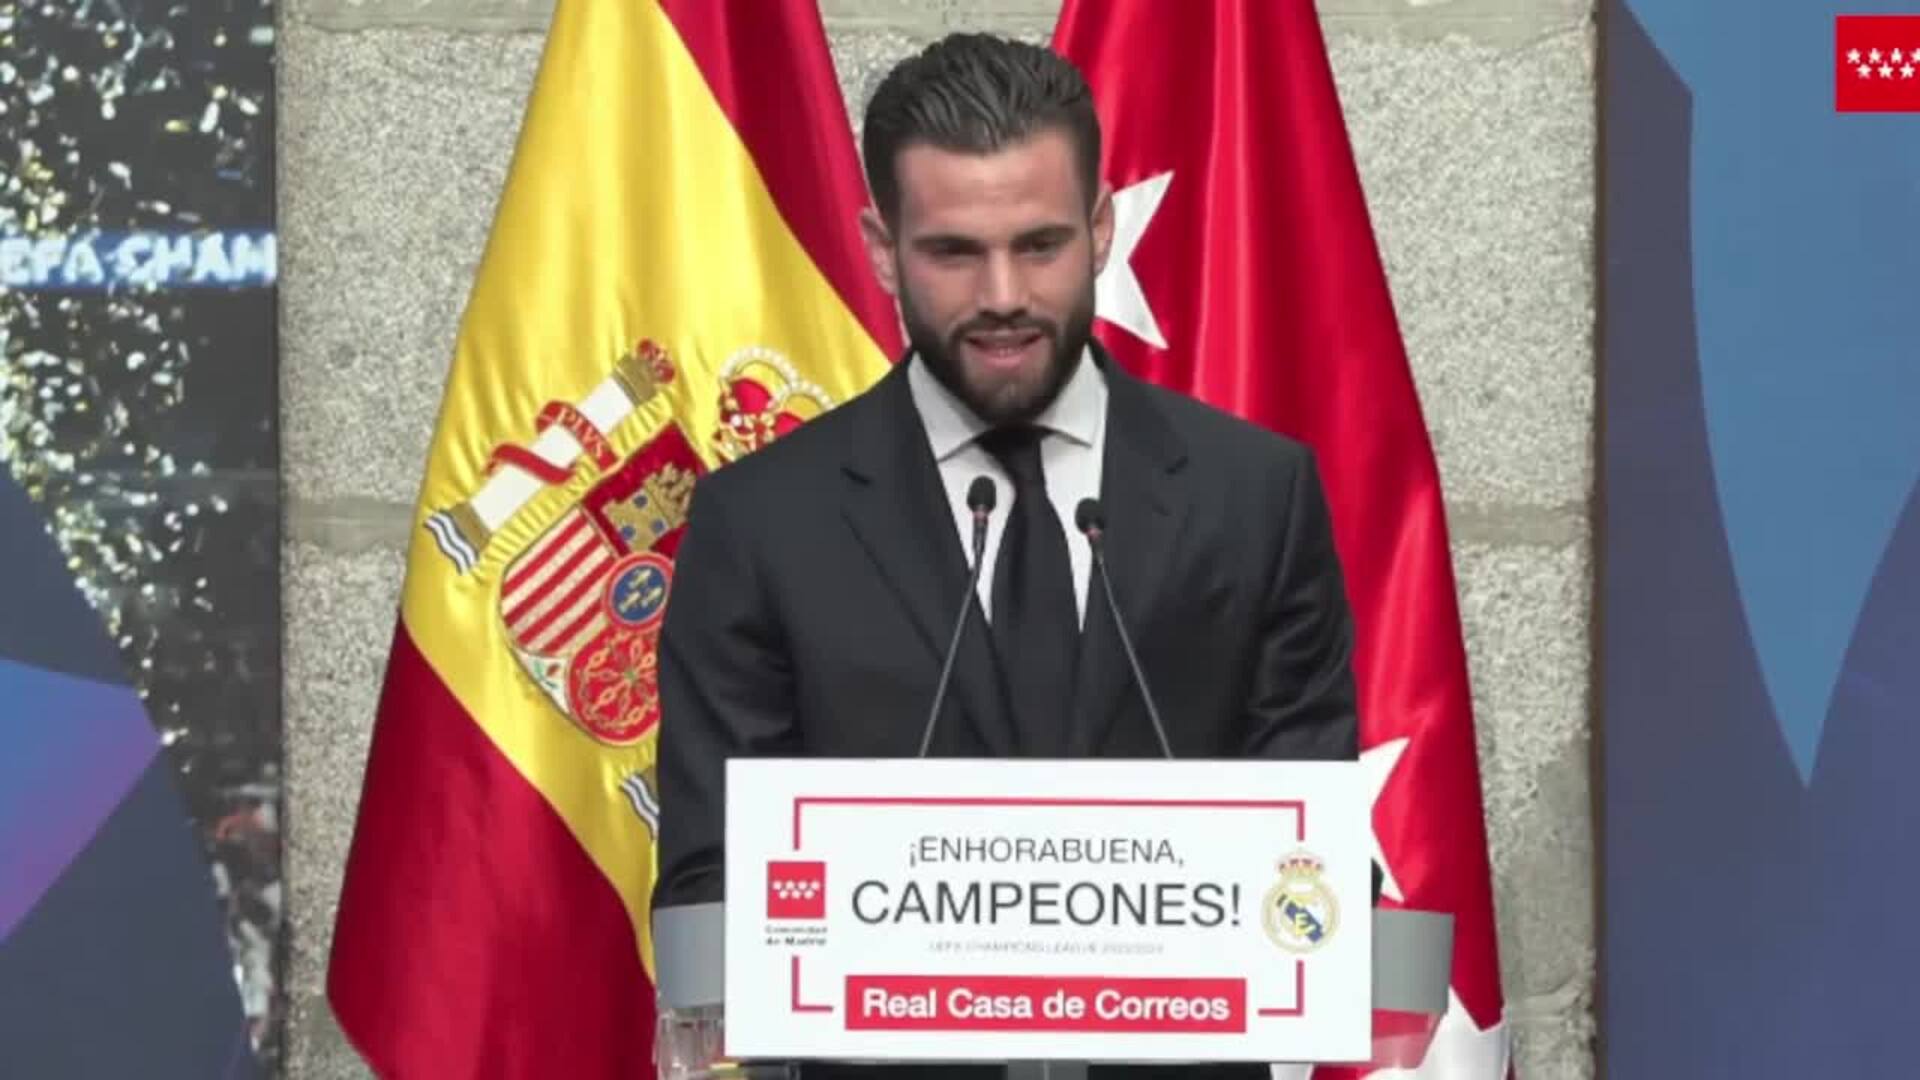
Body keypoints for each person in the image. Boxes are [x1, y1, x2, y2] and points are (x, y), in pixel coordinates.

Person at [652, 31, 1359, 1080]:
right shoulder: (760, 521)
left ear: (1103, 228)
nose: (1003, 296)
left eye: (1040, 244)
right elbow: (711, 876)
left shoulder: (1255, 496)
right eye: (952, 252)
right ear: (882, 246)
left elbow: (1316, 862)